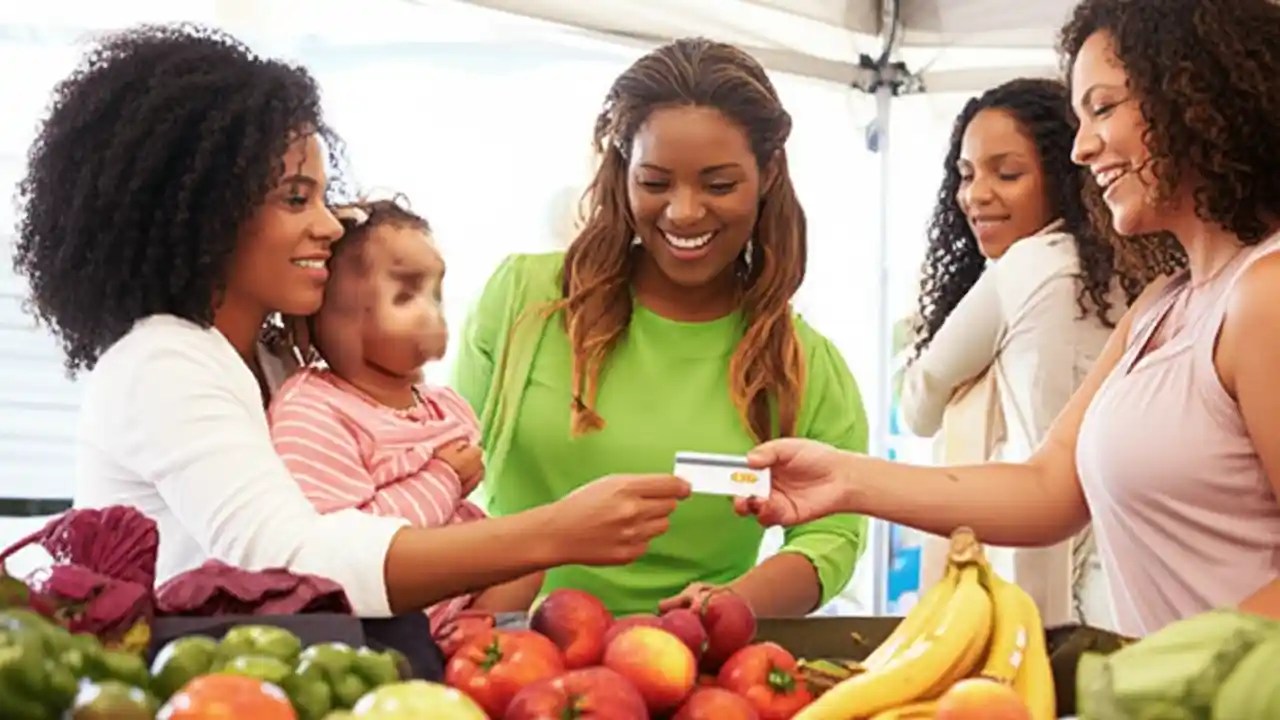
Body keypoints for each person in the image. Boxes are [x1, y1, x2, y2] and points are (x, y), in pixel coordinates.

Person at [13, 23, 689, 620]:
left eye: (325, 197)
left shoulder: (276, 359)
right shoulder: (163, 364)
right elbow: (292, 564)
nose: (328, 222)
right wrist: (550, 532)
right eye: (295, 197)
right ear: (201, 213)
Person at [736, 0, 1280, 637]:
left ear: (1199, 99)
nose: (1081, 148)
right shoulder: (1163, 305)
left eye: (1104, 108)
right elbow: (1048, 488)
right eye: (1079, 118)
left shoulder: (1264, 295)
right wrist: (847, 478)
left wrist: (1154, 678)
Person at [453, 37, 869, 618]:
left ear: (768, 173)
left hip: (700, 676)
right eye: (655, 182)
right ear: (624, 173)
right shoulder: (525, 301)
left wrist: (729, 608)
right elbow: (439, 474)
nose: (684, 212)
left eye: (719, 185)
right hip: (506, 663)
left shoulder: (801, 363)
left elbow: (834, 536)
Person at [900, 78, 1139, 628]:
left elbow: (918, 404)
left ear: (1063, 175)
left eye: (1006, 174)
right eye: (966, 175)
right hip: (1118, 562)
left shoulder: (1027, 267)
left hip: (1037, 572)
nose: (975, 194)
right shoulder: (1126, 273)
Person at [267, 197, 543, 635]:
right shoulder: (314, 413)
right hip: (383, 620)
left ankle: (472, 637)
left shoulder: (440, 406)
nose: (432, 311)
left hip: (457, 596)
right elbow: (343, 545)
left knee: (528, 562)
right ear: (334, 317)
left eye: (434, 292)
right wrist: (444, 477)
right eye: (405, 294)